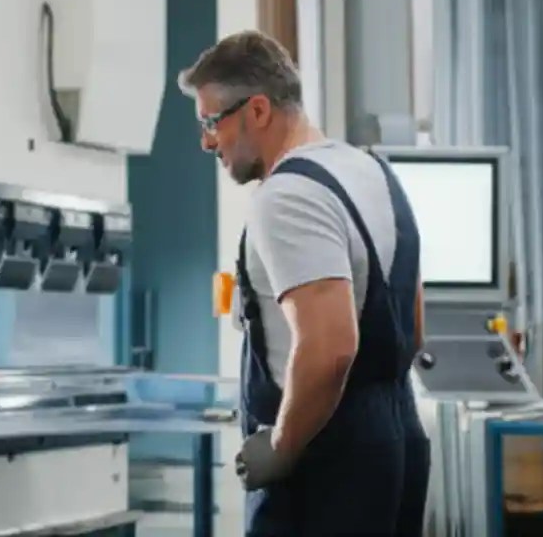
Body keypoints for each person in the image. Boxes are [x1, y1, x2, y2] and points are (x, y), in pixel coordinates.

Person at [177, 30, 430, 536]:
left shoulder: (287, 196)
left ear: (259, 112)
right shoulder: (371, 169)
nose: (206, 141)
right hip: (396, 435)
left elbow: (331, 348)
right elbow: (414, 324)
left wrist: (282, 446)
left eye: (211, 122)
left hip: (326, 455)